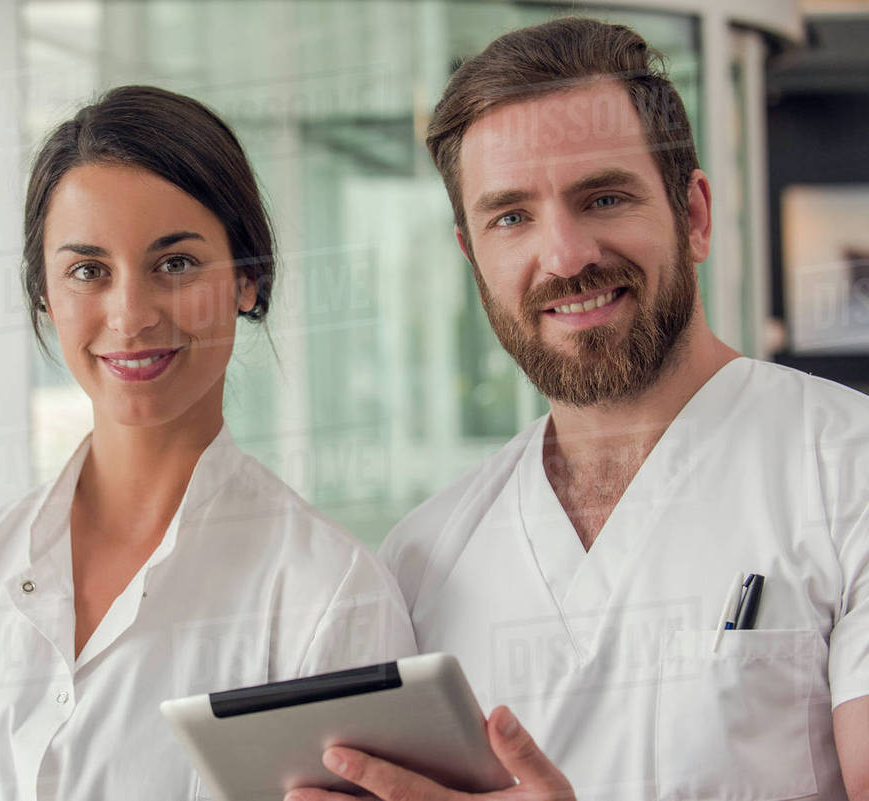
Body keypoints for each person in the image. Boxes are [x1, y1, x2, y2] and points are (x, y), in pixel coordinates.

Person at [287, 17, 869, 801]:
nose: (564, 256)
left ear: (694, 215)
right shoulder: (421, 561)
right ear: (473, 258)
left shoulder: (848, 470)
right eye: (511, 217)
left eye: (603, 197)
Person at [0, 85, 416, 801]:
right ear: (45, 296)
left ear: (247, 280)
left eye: (176, 263)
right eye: (88, 271)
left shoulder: (330, 598)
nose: (131, 316)